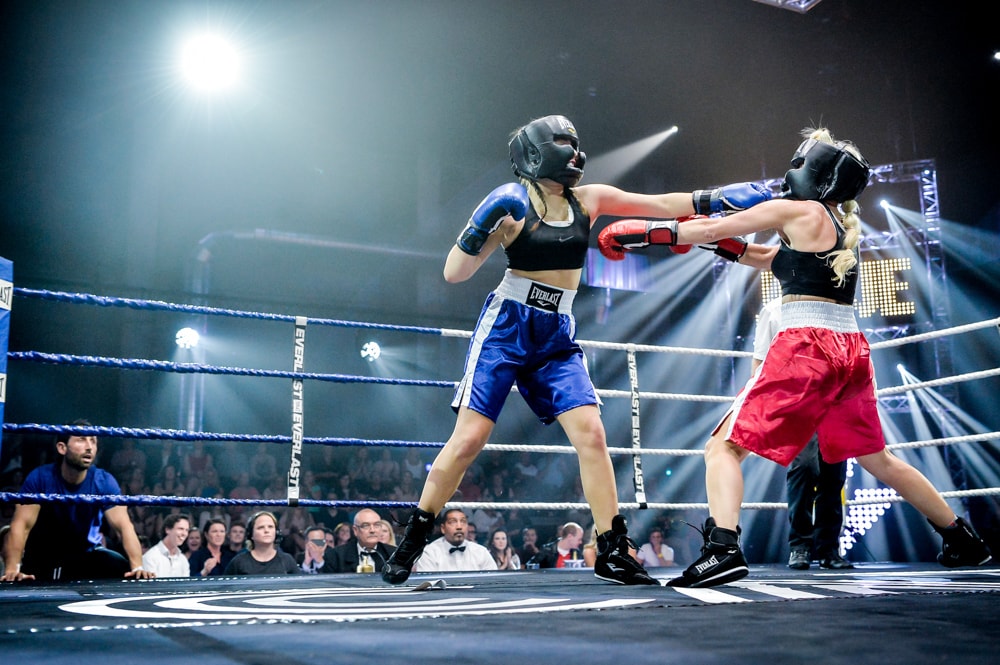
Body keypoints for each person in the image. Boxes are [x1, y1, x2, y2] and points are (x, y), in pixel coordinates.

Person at [382, 114, 771, 587]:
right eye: (563, 143)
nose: (574, 153)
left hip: (557, 333)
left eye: (575, 143)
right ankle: (414, 538)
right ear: (536, 152)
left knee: (592, 435)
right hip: (507, 326)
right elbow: (454, 274)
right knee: (468, 440)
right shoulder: (513, 204)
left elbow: (662, 203)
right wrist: (480, 223)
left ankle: (611, 549)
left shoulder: (589, 200)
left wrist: (723, 199)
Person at [599, 127, 994, 587]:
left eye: (800, 162)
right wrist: (713, 243)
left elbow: (709, 225)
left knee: (722, 448)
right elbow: (765, 257)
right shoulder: (836, 225)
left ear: (816, 174)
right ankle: (963, 538)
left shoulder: (794, 208)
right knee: (878, 458)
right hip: (850, 352)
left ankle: (722, 550)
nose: (791, 170)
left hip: (807, 348)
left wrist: (645, 235)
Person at [751, 297, 854, 570]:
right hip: (795, 401)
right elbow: (760, 361)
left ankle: (829, 549)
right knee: (804, 468)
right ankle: (800, 547)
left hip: (835, 398)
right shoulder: (774, 310)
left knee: (834, 474)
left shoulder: (834, 306)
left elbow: (851, 351)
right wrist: (761, 403)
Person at [2, 421, 156, 582]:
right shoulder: (40, 478)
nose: (89, 446)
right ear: (62, 448)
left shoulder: (103, 481)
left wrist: (138, 567)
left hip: (87, 553)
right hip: (45, 554)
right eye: (81, 439)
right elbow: (21, 525)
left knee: (122, 567)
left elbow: (124, 527)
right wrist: (13, 569)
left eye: (93, 441)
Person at [413, 509, 497, 573]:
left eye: (463, 521)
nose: (459, 526)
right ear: (443, 528)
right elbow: (427, 586)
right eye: (453, 522)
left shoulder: (481, 552)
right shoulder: (430, 553)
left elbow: (494, 582)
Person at [224, 511, 300, 576]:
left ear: (276, 533)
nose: (266, 530)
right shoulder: (238, 562)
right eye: (261, 527)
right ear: (251, 534)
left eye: (270, 527)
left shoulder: (287, 560)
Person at [328, 508, 397, 574]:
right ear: (355, 530)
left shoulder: (394, 554)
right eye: (366, 526)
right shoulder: (335, 555)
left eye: (377, 525)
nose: (372, 530)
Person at [142, 513, 192, 578]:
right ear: (167, 529)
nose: (184, 533)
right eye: (180, 529)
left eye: (187, 530)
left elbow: (186, 586)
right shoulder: (150, 557)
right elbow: (151, 587)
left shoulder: (183, 559)